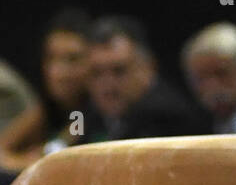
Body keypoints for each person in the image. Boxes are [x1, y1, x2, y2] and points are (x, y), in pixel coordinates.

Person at [79, 17, 202, 145]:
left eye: (119, 71)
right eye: (96, 73)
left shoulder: (170, 119)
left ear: (148, 68)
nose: (107, 85)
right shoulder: (89, 117)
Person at [0, 9, 92, 171]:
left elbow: (50, 161)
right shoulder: (45, 110)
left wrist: (33, 157)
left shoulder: (90, 115)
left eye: (73, 59)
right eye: (51, 58)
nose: (59, 72)